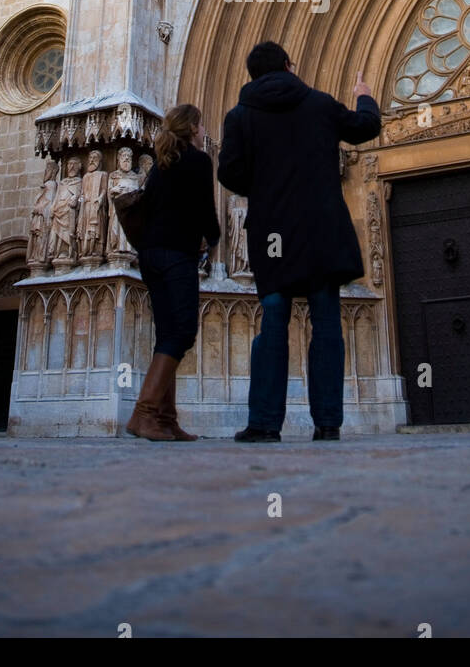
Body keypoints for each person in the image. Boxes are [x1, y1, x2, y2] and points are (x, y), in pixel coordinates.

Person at [217, 41, 380, 442]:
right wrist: (364, 98)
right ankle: (327, 424)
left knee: (273, 322)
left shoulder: (239, 116)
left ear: (252, 75)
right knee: (325, 322)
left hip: (272, 234)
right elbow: (366, 128)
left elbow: (229, 174)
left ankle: (264, 424)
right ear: (289, 66)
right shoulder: (320, 104)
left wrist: (263, 184)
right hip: (320, 229)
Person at [126, 104, 220, 442]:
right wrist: (214, 239)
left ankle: (166, 420)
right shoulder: (198, 161)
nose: (203, 129)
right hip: (176, 255)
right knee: (182, 332)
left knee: (167, 333)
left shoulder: (161, 165)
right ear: (193, 127)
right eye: (201, 124)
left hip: (150, 255)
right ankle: (145, 413)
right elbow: (206, 210)